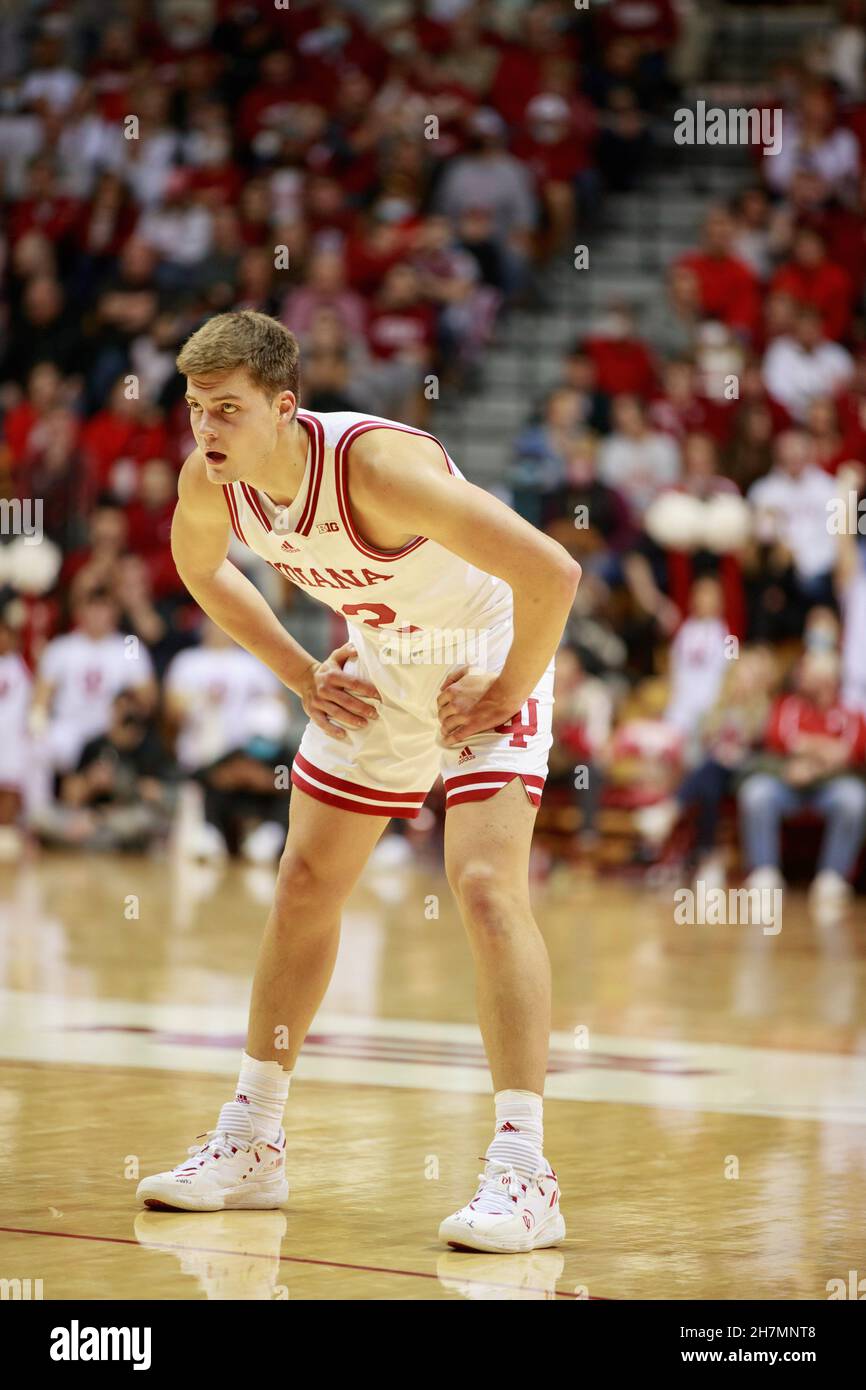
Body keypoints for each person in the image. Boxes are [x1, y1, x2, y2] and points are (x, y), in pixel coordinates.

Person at [136, 309, 581, 1254]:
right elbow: (197, 566)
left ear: (284, 408)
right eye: (193, 409)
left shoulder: (376, 472)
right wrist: (303, 674)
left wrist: (503, 690)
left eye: (224, 410)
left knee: (486, 887)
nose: (204, 431)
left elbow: (553, 570)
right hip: (382, 658)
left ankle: (525, 1170)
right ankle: (253, 1140)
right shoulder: (212, 479)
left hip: (488, 654)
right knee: (303, 883)